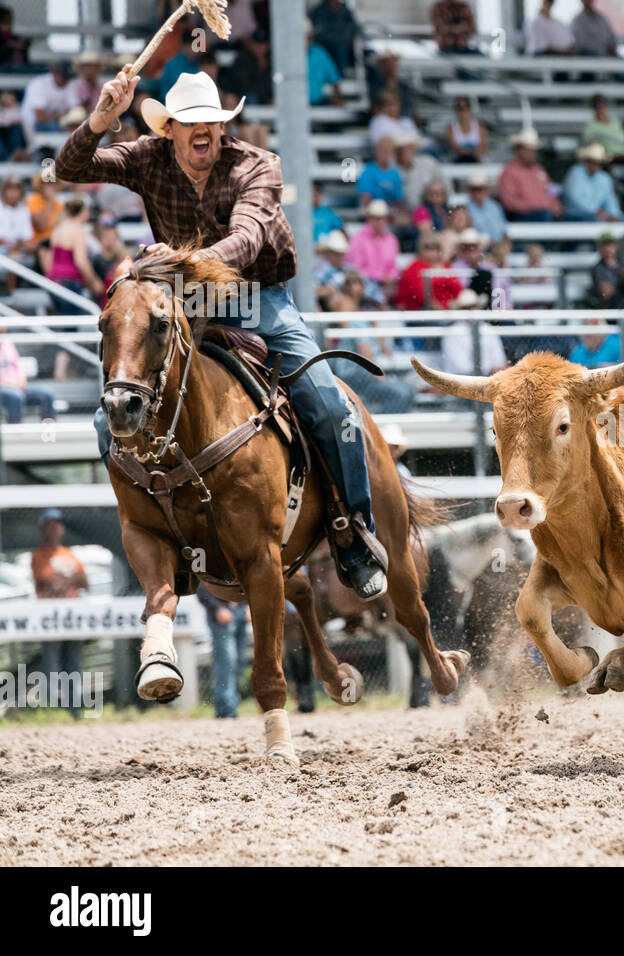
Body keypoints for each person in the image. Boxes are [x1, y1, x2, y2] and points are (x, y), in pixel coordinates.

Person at [59, 68, 392, 598]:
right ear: (169, 129)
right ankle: (160, 523)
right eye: (191, 121)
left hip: (256, 297)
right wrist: (101, 118)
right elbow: (67, 167)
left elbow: (247, 237)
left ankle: (354, 531)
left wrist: (181, 262)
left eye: (211, 121)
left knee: (330, 406)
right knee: (109, 419)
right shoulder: (147, 156)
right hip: (186, 303)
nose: (203, 130)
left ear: (221, 126)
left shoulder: (257, 165)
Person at [31, 509, 88, 715]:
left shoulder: (69, 553)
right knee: (51, 663)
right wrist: (70, 580)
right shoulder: (40, 554)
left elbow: (84, 581)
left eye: (58, 524)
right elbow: (47, 580)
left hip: (72, 617)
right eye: (50, 524)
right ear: (43, 529)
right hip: (50, 619)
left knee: (73, 663)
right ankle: (52, 709)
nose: (55, 528)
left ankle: (75, 710)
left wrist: (65, 581)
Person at [197, 584, 248, 718]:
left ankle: (231, 707)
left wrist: (248, 605)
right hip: (222, 612)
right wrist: (217, 608)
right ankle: (225, 710)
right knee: (226, 662)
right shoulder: (211, 563)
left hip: (240, 612)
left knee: (238, 663)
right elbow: (202, 590)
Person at [498, 128, 562, 221]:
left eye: (534, 150)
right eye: (529, 150)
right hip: (523, 215)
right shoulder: (509, 171)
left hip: (544, 212)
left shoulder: (539, 169)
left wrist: (556, 206)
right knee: (545, 216)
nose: (533, 154)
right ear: (519, 151)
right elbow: (510, 202)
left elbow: (550, 191)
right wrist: (540, 205)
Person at [0, 333, 54, 422]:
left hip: (17, 385)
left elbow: (17, 367)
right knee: (16, 396)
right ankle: (16, 430)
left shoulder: (7, 344)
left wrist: (22, 379)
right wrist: (10, 384)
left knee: (46, 395)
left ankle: (48, 431)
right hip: (4, 387)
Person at [563, 142, 623, 221]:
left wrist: (614, 214)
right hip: (575, 214)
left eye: (598, 163)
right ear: (586, 161)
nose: (595, 165)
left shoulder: (604, 177)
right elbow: (575, 198)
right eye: (592, 161)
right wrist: (595, 211)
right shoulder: (576, 172)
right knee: (595, 220)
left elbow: (610, 198)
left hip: (596, 215)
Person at [309, 0, 361, 72]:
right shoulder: (319, 10)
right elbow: (320, 30)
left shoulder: (344, 9)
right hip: (325, 43)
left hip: (343, 42)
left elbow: (354, 26)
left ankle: (339, 74)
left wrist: (346, 37)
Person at [357, 135, 405, 207]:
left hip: (390, 211)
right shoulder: (368, 171)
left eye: (390, 152)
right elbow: (365, 200)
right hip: (372, 211)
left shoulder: (395, 173)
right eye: (384, 152)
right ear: (377, 153)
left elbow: (399, 200)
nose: (387, 156)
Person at [581, 94, 624, 159]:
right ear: (593, 108)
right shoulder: (591, 127)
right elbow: (590, 146)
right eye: (597, 105)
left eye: (603, 104)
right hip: (608, 159)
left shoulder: (616, 122)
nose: (601, 108)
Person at [464, 172, 508, 242]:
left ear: (486, 190)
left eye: (480, 189)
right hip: (480, 247)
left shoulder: (495, 206)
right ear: (470, 191)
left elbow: (504, 230)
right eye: (475, 189)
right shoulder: (465, 209)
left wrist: (506, 244)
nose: (478, 192)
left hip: (499, 246)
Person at [446, 96, 488, 163]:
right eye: (459, 108)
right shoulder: (451, 128)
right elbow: (454, 148)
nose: (462, 111)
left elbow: (484, 148)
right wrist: (471, 152)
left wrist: (471, 153)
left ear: (469, 109)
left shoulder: (479, 126)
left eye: (465, 108)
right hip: (459, 161)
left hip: (476, 160)